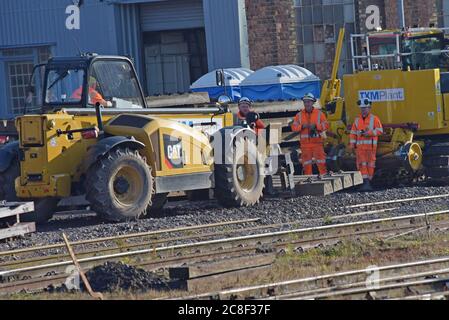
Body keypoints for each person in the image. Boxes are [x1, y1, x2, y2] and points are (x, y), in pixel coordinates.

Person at [349, 98, 383, 191]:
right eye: (362, 108)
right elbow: (353, 133)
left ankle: (368, 183)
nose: (363, 110)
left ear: (369, 108)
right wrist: (352, 146)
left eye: (365, 108)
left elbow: (380, 131)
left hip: (370, 148)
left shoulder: (374, 119)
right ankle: (365, 183)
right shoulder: (357, 120)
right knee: (361, 165)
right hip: (360, 149)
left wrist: (369, 133)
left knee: (370, 165)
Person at [291, 93, 329, 176]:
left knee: (321, 163)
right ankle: (308, 181)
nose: (307, 104)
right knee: (306, 165)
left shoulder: (319, 114)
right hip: (305, 145)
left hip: (317, 144)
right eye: (305, 102)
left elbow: (326, 125)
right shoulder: (299, 115)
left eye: (308, 102)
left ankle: (325, 179)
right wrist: (302, 126)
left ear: (312, 103)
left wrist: (316, 126)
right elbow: (294, 127)